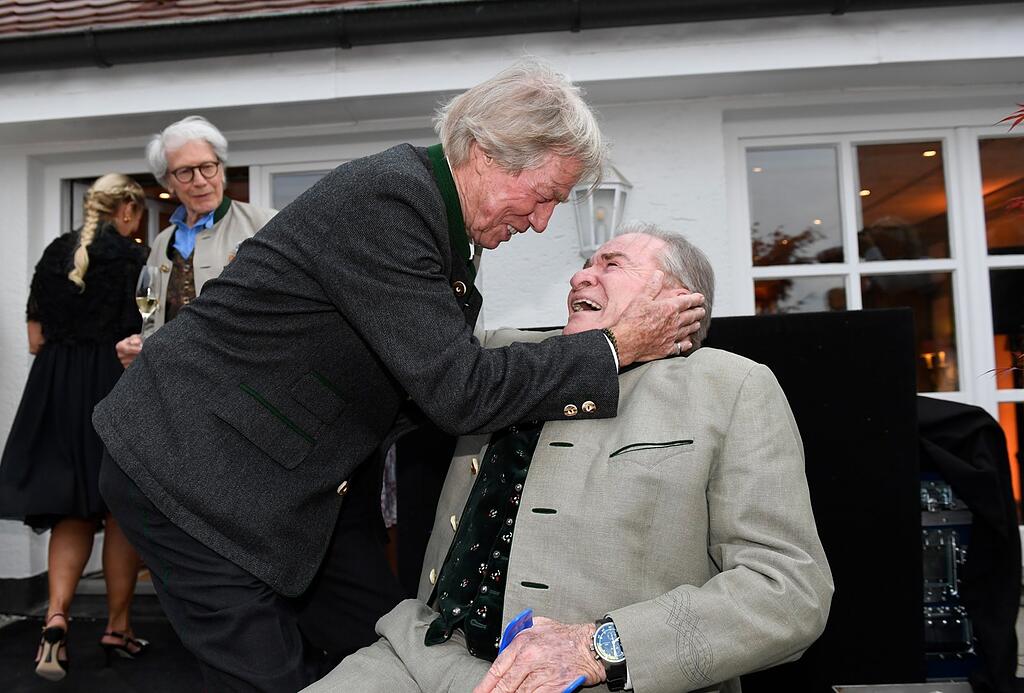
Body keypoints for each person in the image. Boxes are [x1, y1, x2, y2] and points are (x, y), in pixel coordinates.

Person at [95, 60, 706, 692]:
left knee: (387, 645)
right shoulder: (387, 199)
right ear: (485, 154)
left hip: (304, 474)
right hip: (195, 468)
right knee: (266, 676)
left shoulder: (440, 220)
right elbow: (458, 390)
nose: (544, 221)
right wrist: (610, 346)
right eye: (546, 195)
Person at [306, 225, 834, 693]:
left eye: (612, 265)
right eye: (583, 267)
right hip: (422, 653)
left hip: (593, 679)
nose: (581, 278)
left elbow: (787, 591)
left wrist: (601, 649)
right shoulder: (505, 358)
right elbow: (398, 339)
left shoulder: (729, 386)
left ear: (679, 301)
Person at [0, 173, 150, 681]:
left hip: (56, 389)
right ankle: (118, 627)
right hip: (114, 384)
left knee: (71, 510)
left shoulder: (54, 253)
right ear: (126, 211)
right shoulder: (135, 257)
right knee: (118, 509)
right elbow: (147, 332)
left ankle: (55, 618)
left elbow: (35, 338)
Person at [115, 115, 276, 368]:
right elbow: (151, 314)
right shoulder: (162, 242)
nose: (200, 180)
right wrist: (140, 346)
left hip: (244, 372)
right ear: (169, 181)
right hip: (176, 374)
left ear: (221, 168)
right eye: (185, 172)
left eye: (207, 167)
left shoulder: (264, 224)